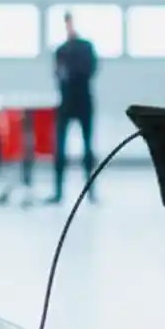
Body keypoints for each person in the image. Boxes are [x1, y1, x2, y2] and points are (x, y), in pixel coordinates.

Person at [48, 11, 98, 204]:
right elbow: (57, 74)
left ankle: (91, 191)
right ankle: (59, 191)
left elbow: (90, 71)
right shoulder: (61, 50)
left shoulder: (86, 48)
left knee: (87, 147)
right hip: (67, 102)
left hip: (83, 101)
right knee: (60, 148)